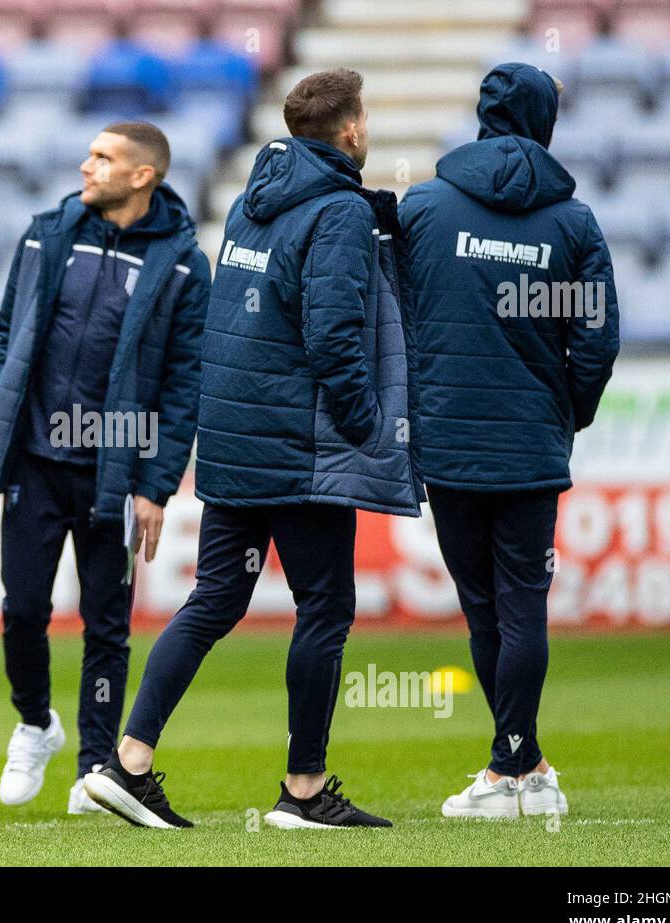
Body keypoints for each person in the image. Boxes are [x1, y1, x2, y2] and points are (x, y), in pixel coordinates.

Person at [85, 69, 421, 829]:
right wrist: (366, 421)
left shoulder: (252, 201)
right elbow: (333, 334)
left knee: (214, 600)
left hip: (235, 441)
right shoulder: (335, 212)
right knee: (327, 606)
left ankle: (127, 763)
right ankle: (304, 792)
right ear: (353, 131)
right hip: (298, 450)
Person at [397, 63, 619, 819]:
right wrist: (565, 414)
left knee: (484, 610)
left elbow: (393, 322)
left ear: (484, 114)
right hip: (529, 445)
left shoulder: (421, 206)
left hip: (449, 444)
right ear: (544, 120)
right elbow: (598, 342)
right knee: (523, 607)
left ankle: (511, 770)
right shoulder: (574, 222)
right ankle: (524, 770)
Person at [0, 122, 210, 814]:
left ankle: (97, 765)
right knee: (21, 609)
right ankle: (35, 722)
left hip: (115, 473)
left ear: (143, 176)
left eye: (102, 158)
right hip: (35, 463)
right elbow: (6, 334)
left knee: (107, 624)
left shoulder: (186, 266)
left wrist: (155, 485)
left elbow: (182, 386)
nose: (86, 165)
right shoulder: (48, 232)